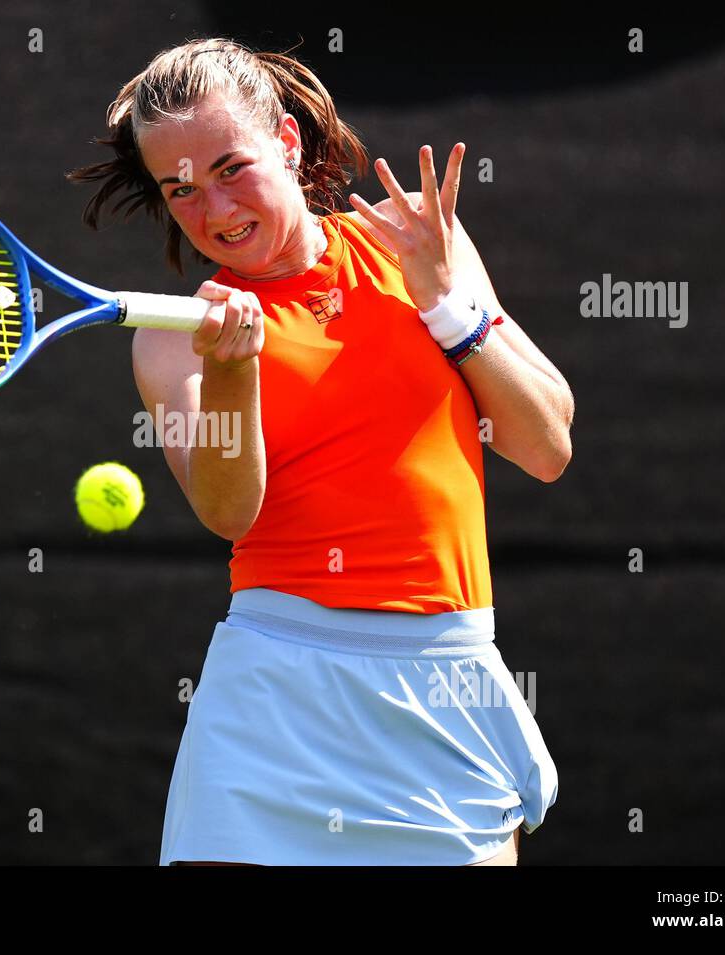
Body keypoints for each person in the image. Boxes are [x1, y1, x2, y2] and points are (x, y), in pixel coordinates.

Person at [66, 38, 574, 865]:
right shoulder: (175, 339)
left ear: (289, 145)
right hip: (272, 693)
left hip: (444, 681)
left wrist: (448, 309)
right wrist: (233, 372)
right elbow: (229, 512)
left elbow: (547, 444)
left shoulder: (414, 241)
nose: (214, 208)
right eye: (179, 189)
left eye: (231, 166)